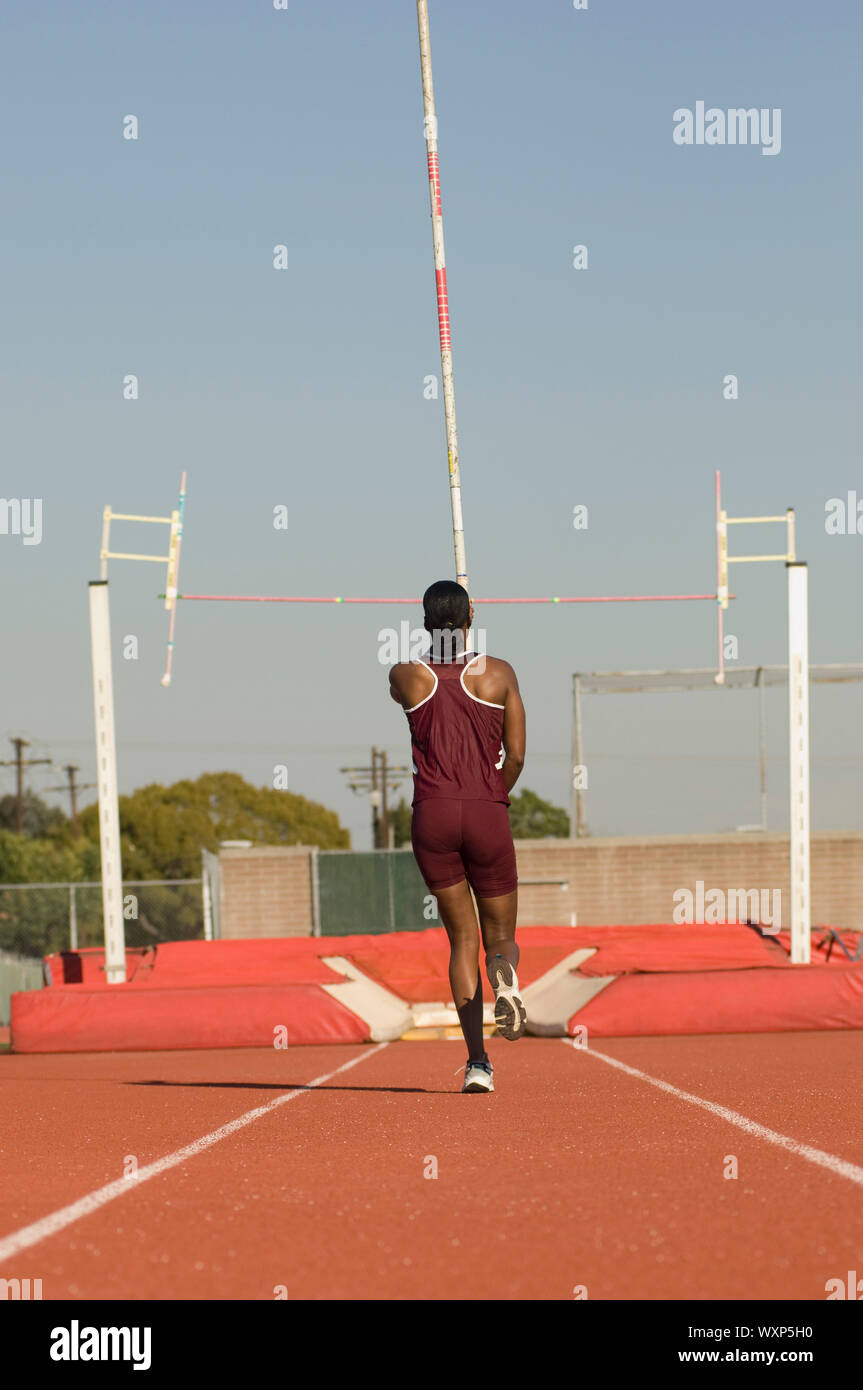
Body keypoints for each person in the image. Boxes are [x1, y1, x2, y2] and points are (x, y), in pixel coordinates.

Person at [389, 580, 527, 1093]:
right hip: (487, 808)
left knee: (461, 939)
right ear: (472, 613)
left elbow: (417, 691)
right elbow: (515, 757)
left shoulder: (404, 676)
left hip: (433, 815)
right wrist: (491, 793)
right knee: (500, 938)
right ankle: (504, 974)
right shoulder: (500, 674)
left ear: (423, 617)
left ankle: (477, 1064)